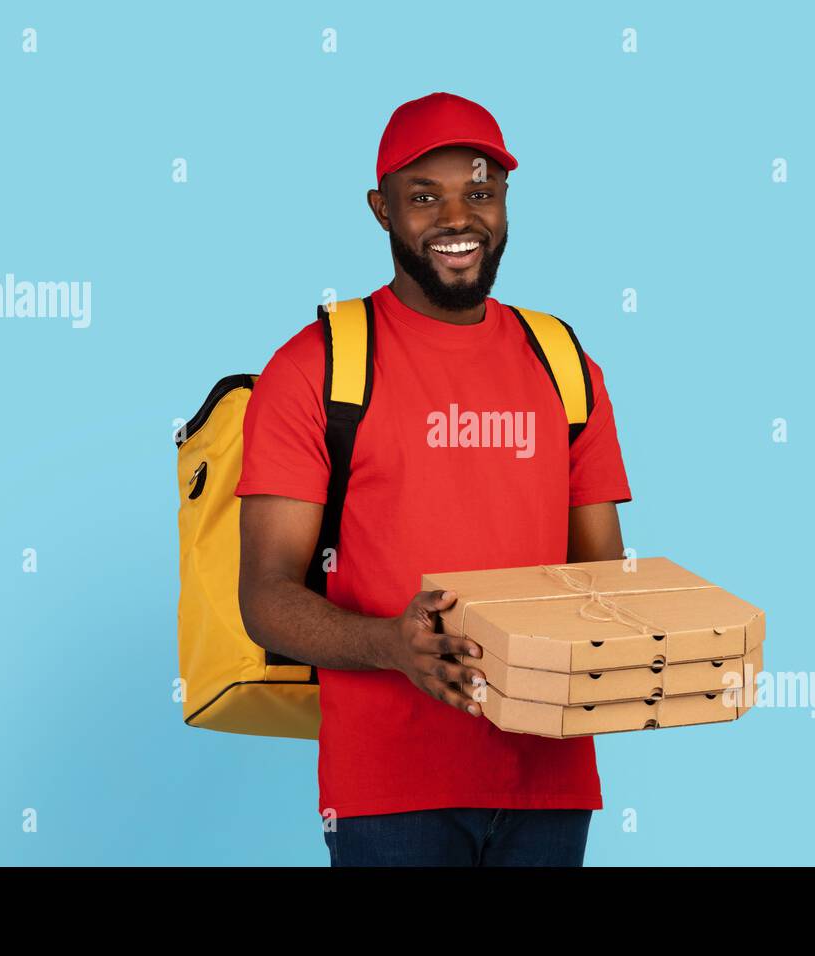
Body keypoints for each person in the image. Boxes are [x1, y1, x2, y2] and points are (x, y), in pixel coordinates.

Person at [235, 92, 632, 866]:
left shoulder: (566, 365)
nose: (458, 219)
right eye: (425, 198)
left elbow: (602, 580)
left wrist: (663, 657)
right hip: (391, 790)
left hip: (551, 778)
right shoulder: (316, 366)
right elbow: (265, 596)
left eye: (479, 193)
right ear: (381, 210)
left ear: (506, 203)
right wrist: (391, 645)